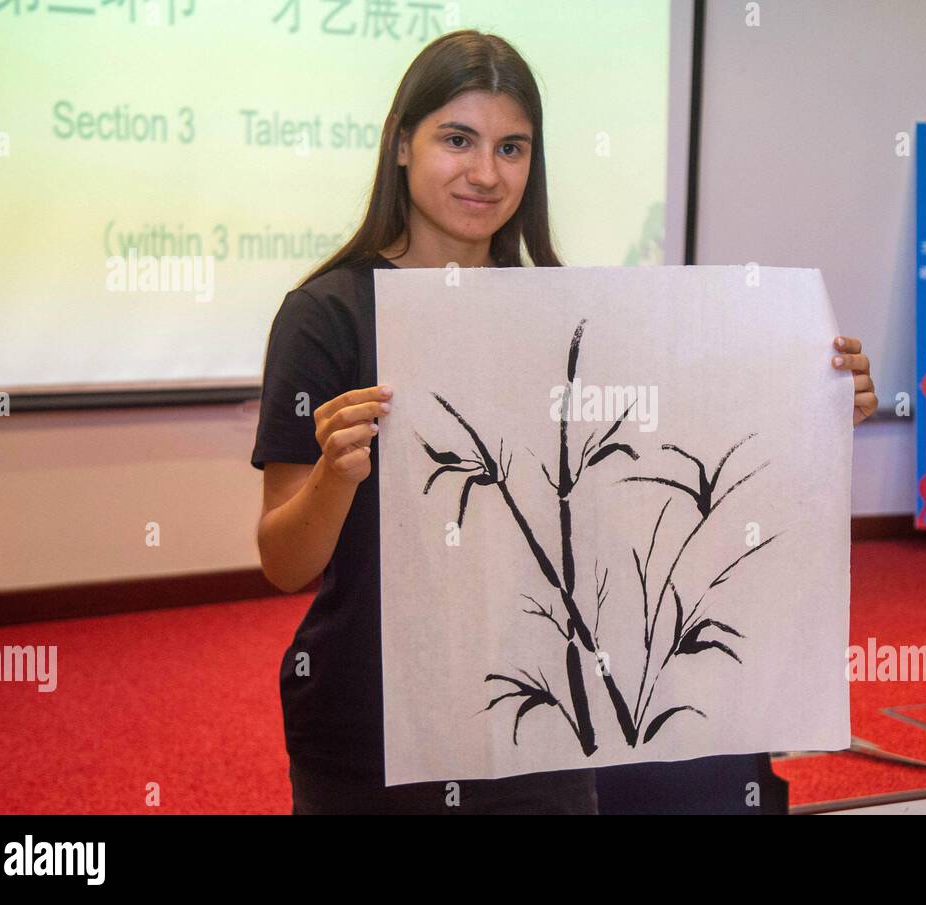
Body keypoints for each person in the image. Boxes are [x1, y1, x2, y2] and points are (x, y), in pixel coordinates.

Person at [251, 29, 877, 815]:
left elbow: (647, 485)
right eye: (457, 140)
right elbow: (284, 559)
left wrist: (812, 402)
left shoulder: (564, 315)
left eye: (512, 148)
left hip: (543, 714)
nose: (485, 172)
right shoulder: (326, 317)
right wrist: (335, 478)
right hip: (370, 722)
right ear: (401, 145)